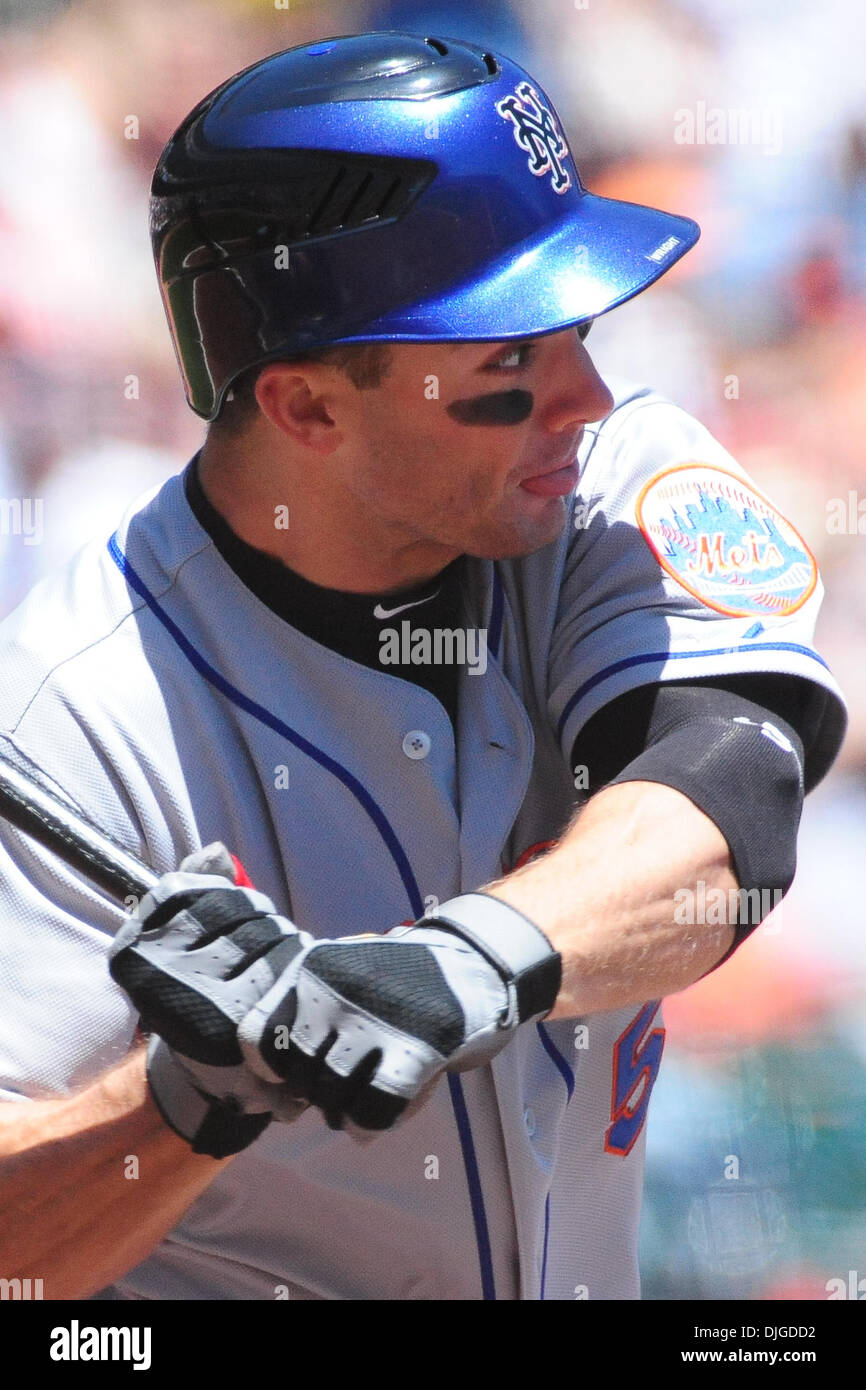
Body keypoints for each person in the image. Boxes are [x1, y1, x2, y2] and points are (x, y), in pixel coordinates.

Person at [0, 32, 846, 1302]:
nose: (586, 397)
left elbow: (728, 805)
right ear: (307, 410)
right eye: (508, 363)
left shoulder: (603, 489)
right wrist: (183, 1101)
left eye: (575, 328)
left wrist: (456, 965)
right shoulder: (75, 714)